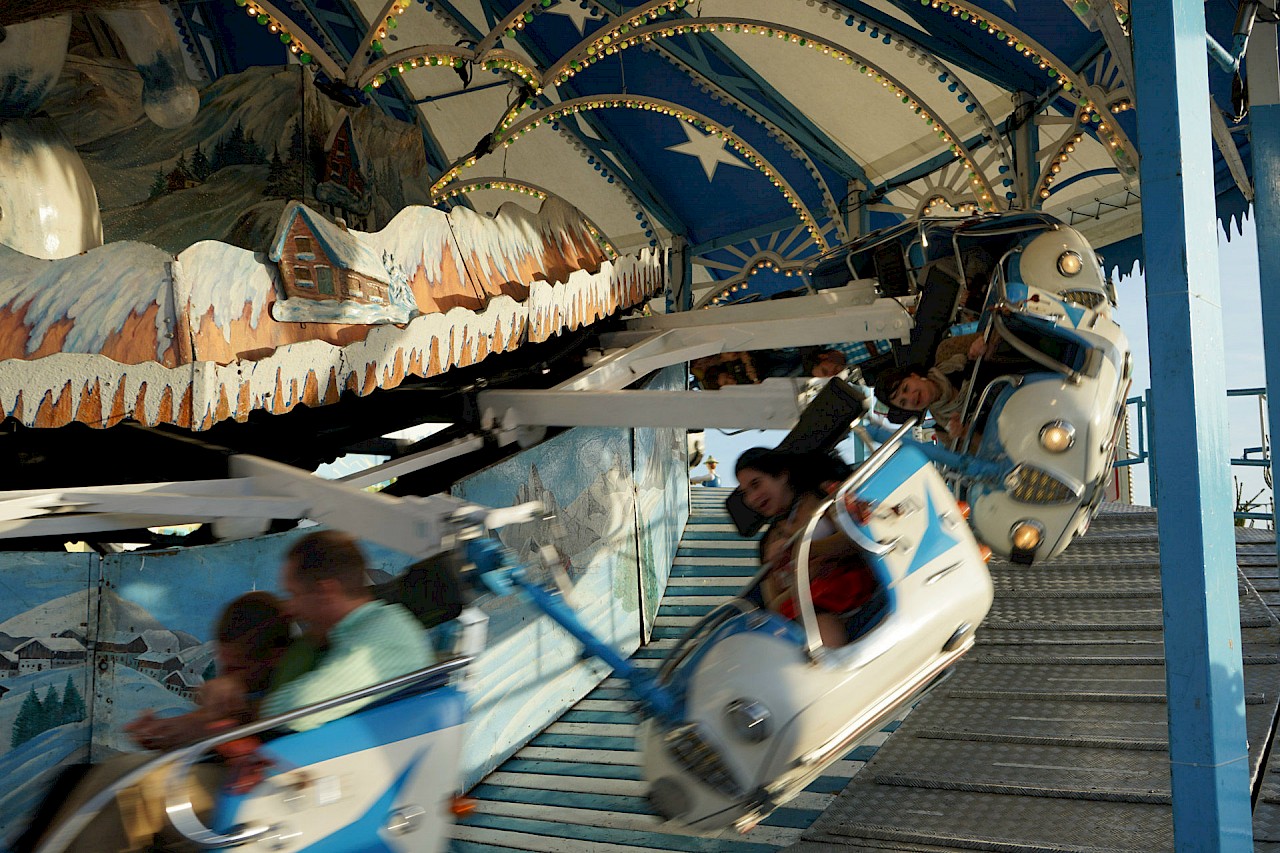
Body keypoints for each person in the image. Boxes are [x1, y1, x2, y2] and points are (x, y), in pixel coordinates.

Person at [30, 530, 434, 853]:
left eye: (293, 594)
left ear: (326, 591)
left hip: (312, 786)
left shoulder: (378, 638)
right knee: (97, 778)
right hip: (307, 768)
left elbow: (298, 709)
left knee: (131, 793)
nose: (289, 609)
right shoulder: (337, 637)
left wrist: (222, 719)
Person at [736, 449, 876, 647]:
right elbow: (773, 605)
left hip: (851, 596)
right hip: (805, 615)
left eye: (756, 485)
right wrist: (804, 580)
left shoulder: (822, 498)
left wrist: (801, 550)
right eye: (745, 494)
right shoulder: (768, 542)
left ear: (782, 475)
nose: (751, 499)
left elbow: (855, 540)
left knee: (820, 627)